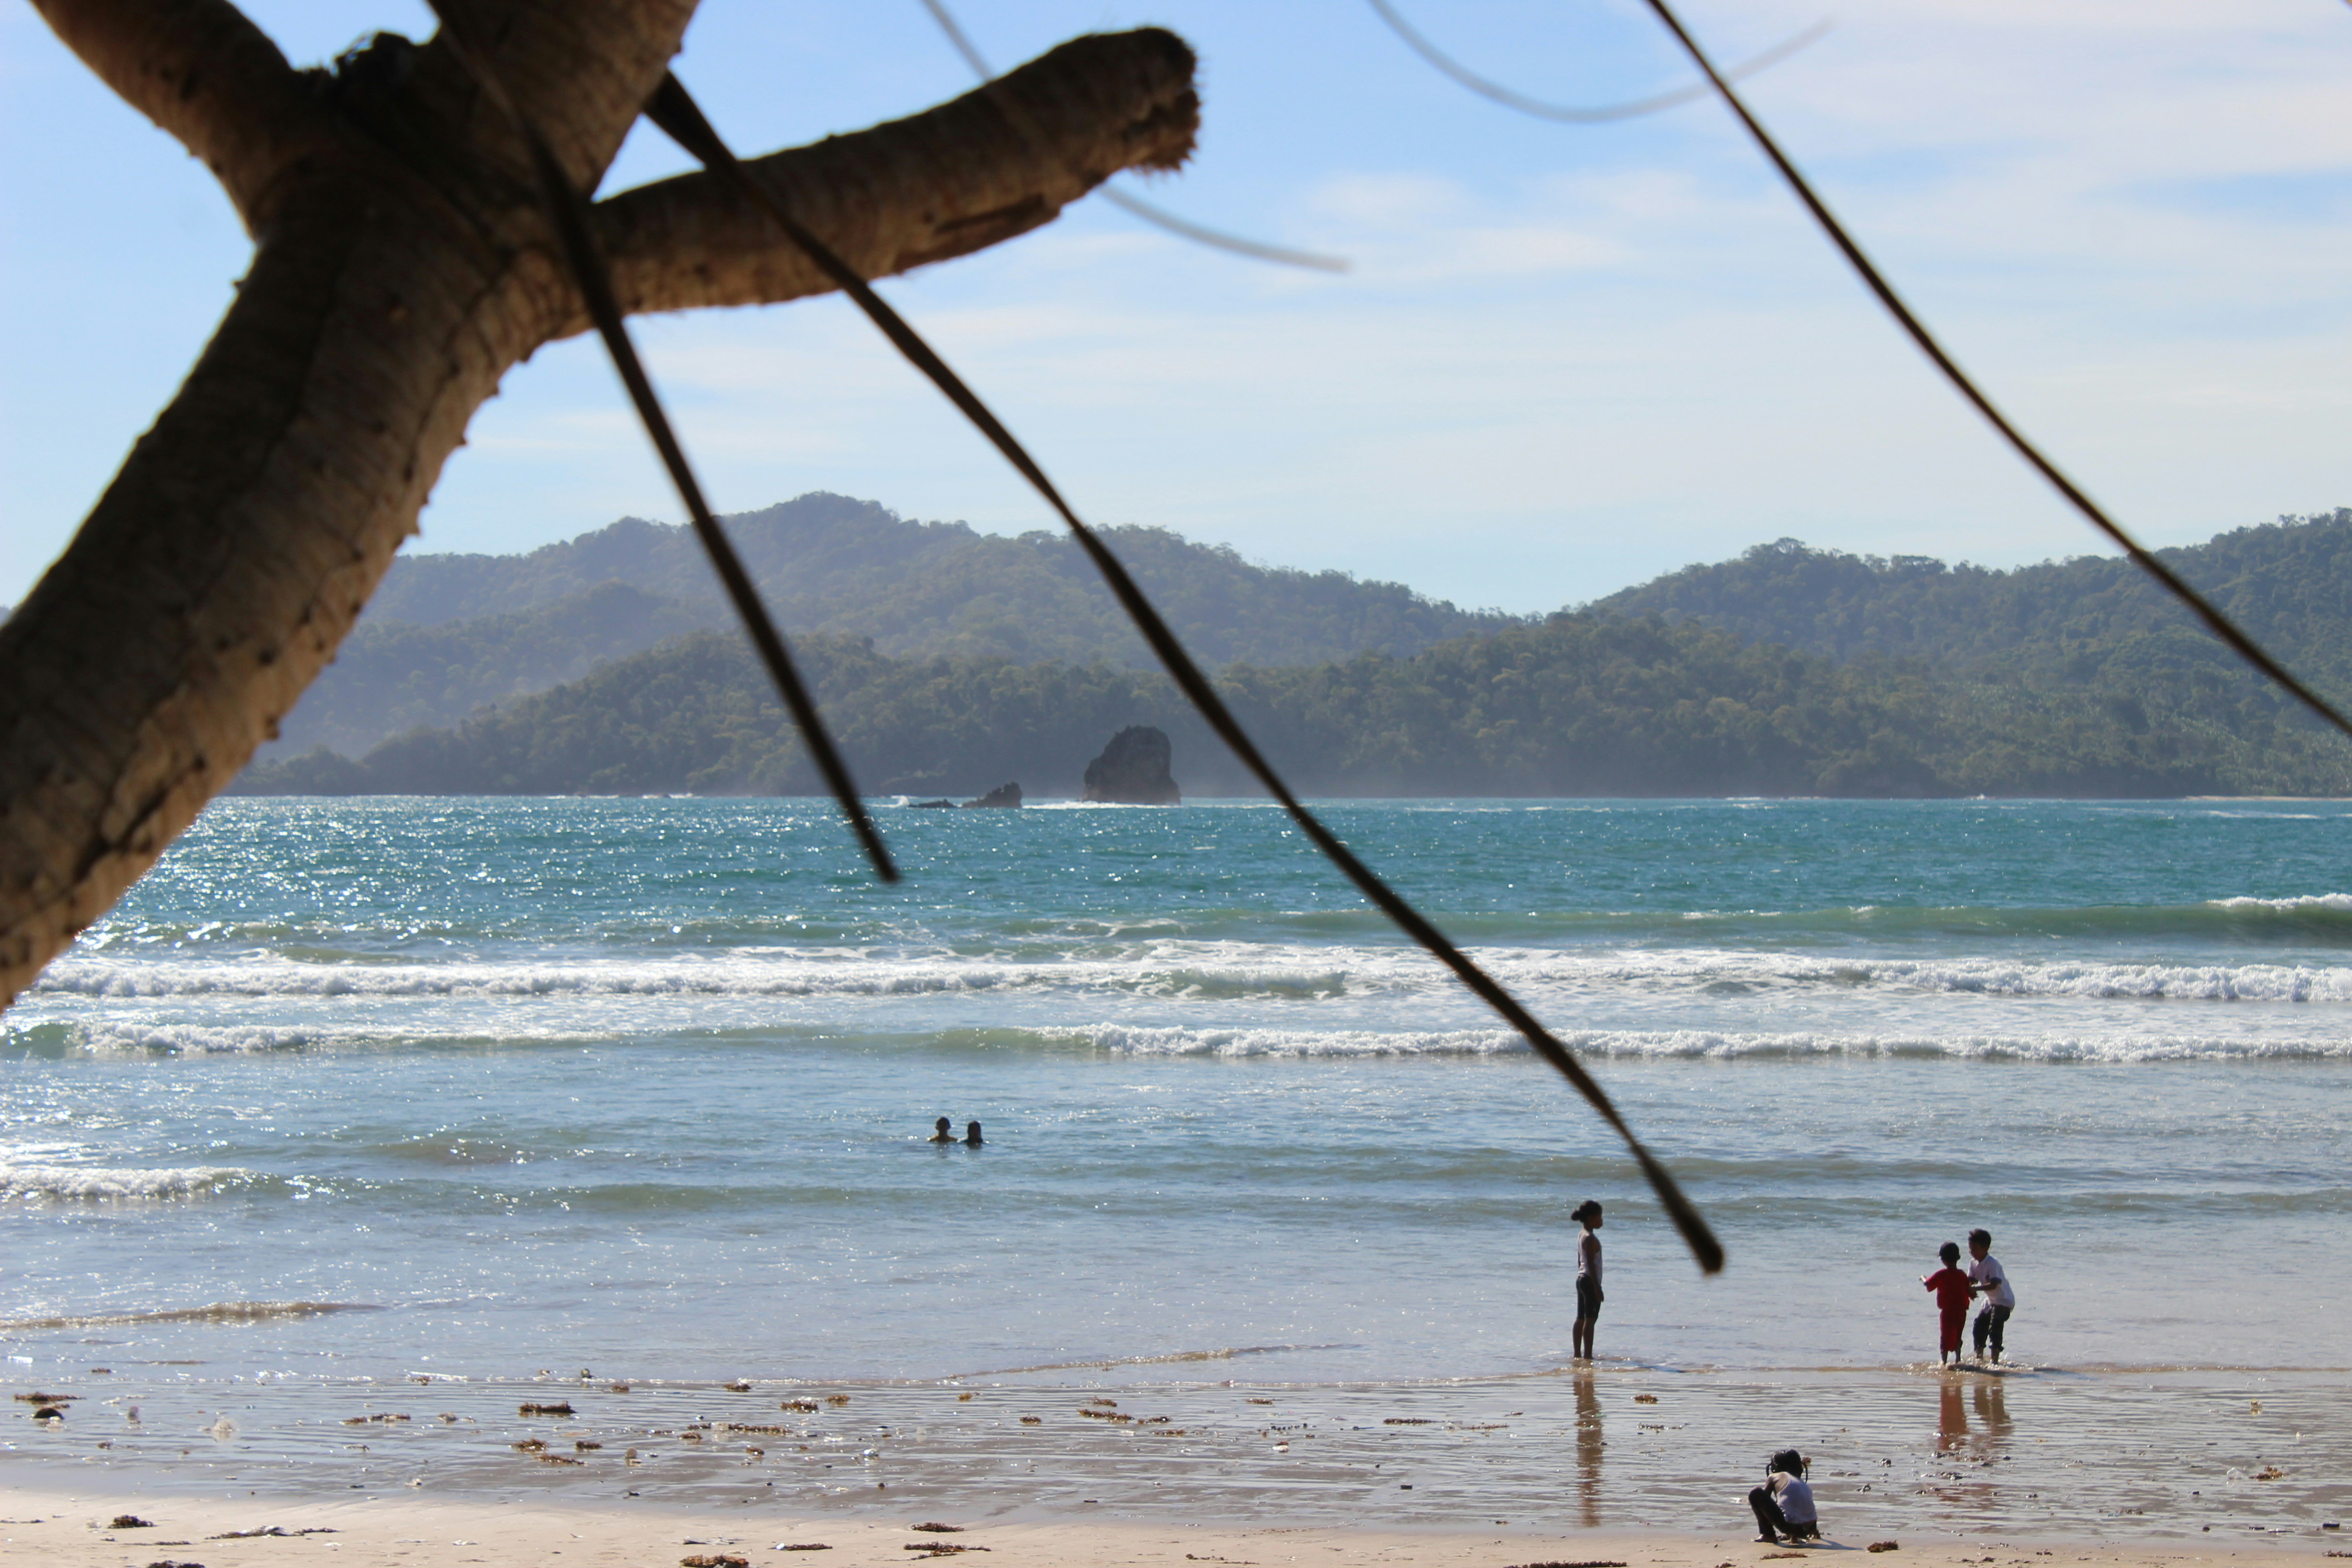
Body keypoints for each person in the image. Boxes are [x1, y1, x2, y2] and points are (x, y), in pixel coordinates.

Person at [1747, 1448, 1820, 1544]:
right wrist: (1814, 1530)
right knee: (1789, 1505)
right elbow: (1804, 1508)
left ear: (1775, 1468)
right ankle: (1794, 1536)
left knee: (1756, 1493)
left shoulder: (1774, 1477)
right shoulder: (1802, 1483)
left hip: (1790, 1527)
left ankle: (1768, 1535)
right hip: (1808, 1529)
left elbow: (1765, 1503)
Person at [1922, 1240, 1975, 1365]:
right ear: (1958, 1258)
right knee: (1958, 1335)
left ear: (1943, 1260)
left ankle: (1944, 1362)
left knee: (1945, 1336)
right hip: (1961, 1311)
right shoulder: (1962, 1275)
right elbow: (1969, 1290)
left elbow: (1929, 1285)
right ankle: (1958, 1359)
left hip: (1948, 1311)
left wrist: (1923, 1278)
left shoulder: (1942, 1274)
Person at [1966, 1228, 2014, 1362]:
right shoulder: (1973, 1263)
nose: (1972, 1252)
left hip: (2004, 1300)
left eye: (1975, 1249)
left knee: (1995, 1327)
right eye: (1970, 1249)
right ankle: (1979, 1357)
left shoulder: (1993, 1263)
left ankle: (1995, 1361)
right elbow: (1971, 1280)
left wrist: (1975, 1288)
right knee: (1979, 1326)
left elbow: (1993, 1285)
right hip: (1991, 1300)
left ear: (1986, 1248)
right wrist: (1970, 1290)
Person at [1570, 1199, 1603, 1361]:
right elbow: (1590, 1263)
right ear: (1591, 1218)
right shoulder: (1590, 1238)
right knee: (1590, 1319)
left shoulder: (1581, 1235)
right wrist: (1597, 1288)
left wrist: (1581, 1275)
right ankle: (1588, 1355)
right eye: (1600, 1217)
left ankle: (1577, 1353)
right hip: (1590, 1280)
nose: (1602, 1220)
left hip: (1581, 1278)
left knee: (1581, 1317)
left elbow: (1580, 1260)